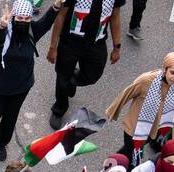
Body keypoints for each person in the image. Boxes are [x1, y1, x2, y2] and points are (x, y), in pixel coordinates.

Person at [0, 2, 57, 162]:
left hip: (21, 86)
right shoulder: (5, 32)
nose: (23, 21)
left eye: (26, 18)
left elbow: (47, 20)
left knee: (11, 116)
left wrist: (56, 6)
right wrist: (2, 24)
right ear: (13, 17)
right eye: (19, 17)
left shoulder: (32, 31)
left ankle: (1, 142)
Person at [45, 0, 123, 131]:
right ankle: (59, 109)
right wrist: (53, 47)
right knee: (63, 78)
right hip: (70, 42)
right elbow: (61, 15)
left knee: (93, 75)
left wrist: (117, 47)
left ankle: (73, 80)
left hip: (96, 43)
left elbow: (115, 17)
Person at [105, 52, 174, 169]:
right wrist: (113, 111)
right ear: (165, 69)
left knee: (128, 151)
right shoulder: (146, 80)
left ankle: (109, 165)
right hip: (135, 128)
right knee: (133, 161)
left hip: (154, 130)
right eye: (172, 72)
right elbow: (127, 93)